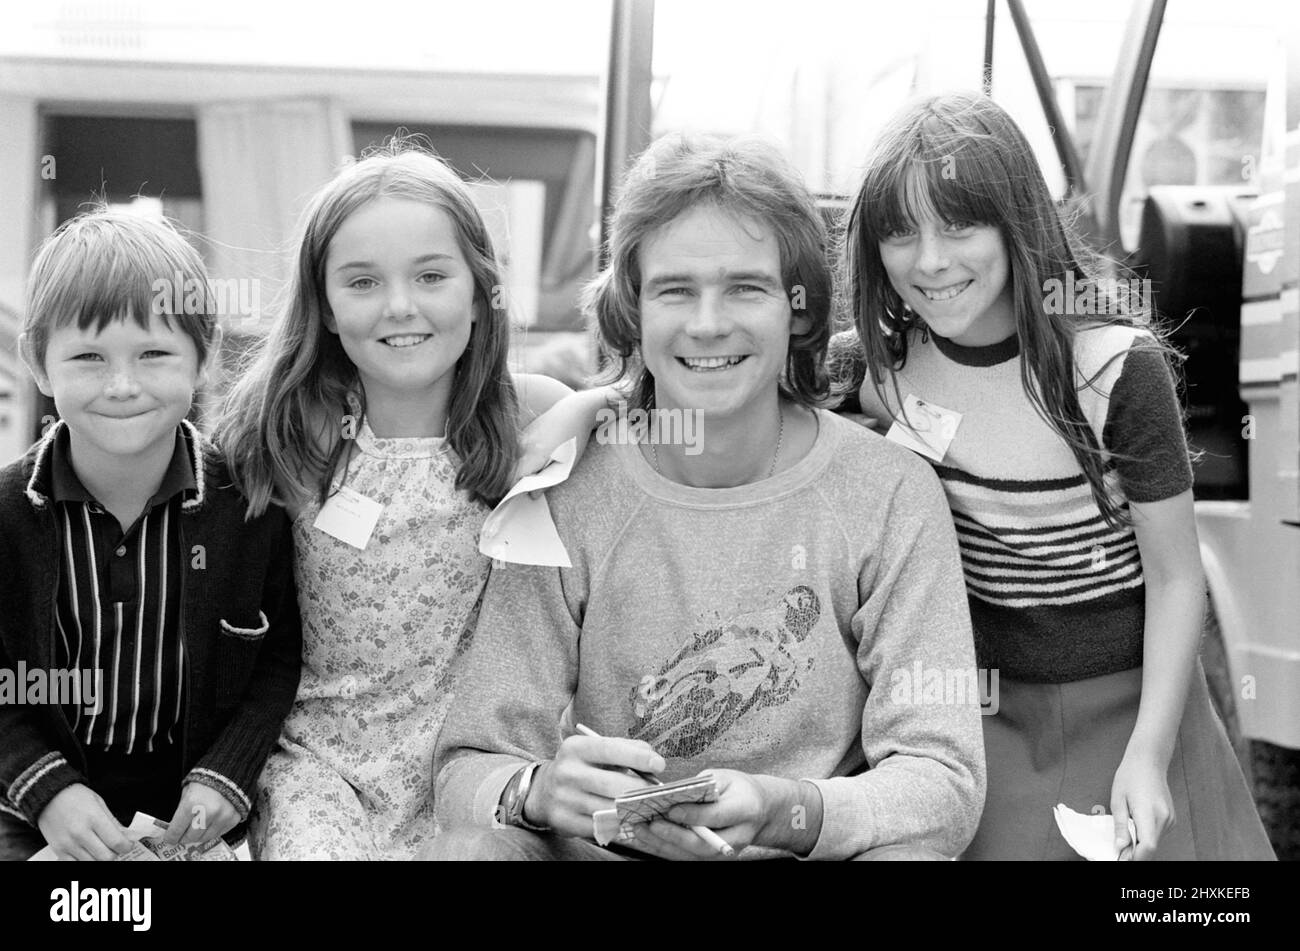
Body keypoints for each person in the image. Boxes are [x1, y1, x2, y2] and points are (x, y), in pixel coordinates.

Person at [424, 134, 985, 861]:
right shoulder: (570, 492)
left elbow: (943, 778)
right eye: (675, 289)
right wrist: (534, 789)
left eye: (745, 287)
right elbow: (468, 764)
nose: (708, 322)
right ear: (633, 311)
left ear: (800, 310)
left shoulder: (888, 492)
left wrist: (790, 811)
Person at [836, 91, 1274, 860]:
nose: (930, 261)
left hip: (1137, 708)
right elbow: (727, 372)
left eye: (959, 223)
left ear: (1018, 223)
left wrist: (1149, 752)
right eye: (900, 232)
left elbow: (1178, 577)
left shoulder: (1116, 368)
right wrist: (585, 411)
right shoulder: (881, 367)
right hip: (980, 717)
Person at [217, 142, 575, 860]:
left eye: (433, 275)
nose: (400, 306)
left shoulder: (532, 417)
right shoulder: (292, 428)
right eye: (362, 282)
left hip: (476, 772)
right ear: (322, 303)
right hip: (322, 768)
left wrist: (590, 404)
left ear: (480, 291)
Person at [0, 210, 301, 860]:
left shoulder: (253, 506)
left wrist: (228, 775)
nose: (123, 385)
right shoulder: (7, 514)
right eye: (88, 356)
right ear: (39, 363)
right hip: (34, 805)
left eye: (154, 353)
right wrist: (47, 789)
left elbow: (277, 658)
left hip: (192, 812)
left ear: (205, 356)